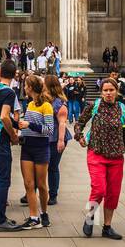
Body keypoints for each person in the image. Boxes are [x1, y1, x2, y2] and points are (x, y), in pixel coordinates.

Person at [74, 77, 125, 240]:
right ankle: (90, 218)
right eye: (105, 90)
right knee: (99, 189)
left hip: (116, 157)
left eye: (111, 90)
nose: (108, 93)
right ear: (101, 92)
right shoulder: (94, 106)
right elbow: (79, 123)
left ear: (116, 91)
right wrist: (79, 136)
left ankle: (107, 227)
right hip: (96, 153)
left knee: (113, 193)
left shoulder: (122, 109)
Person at [0, 59, 23, 232]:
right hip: (1, 138)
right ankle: (0, 219)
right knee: (3, 179)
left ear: (0, 73)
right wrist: (13, 135)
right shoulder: (8, 92)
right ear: (15, 74)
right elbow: (4, 116)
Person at [16, 74, 53, 229]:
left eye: (25, 85)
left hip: (41, 148)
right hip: (27, 147)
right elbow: (26, 126)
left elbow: (49, 130)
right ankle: (33, 216)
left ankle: (44, 212)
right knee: (28, 184)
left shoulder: (46, 106)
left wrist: (29, 125)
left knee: (41, 185)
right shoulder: (30, 104)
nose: (24, 87)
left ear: (30, 87)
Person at [43, 73, 70, 206]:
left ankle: (53, 194)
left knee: (52, 167)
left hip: (56, 137)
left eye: (44, 84)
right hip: (45, 137)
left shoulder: (60, 102)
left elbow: (62, 123)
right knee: (41, 166)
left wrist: (60, 140)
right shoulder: (45, 100)